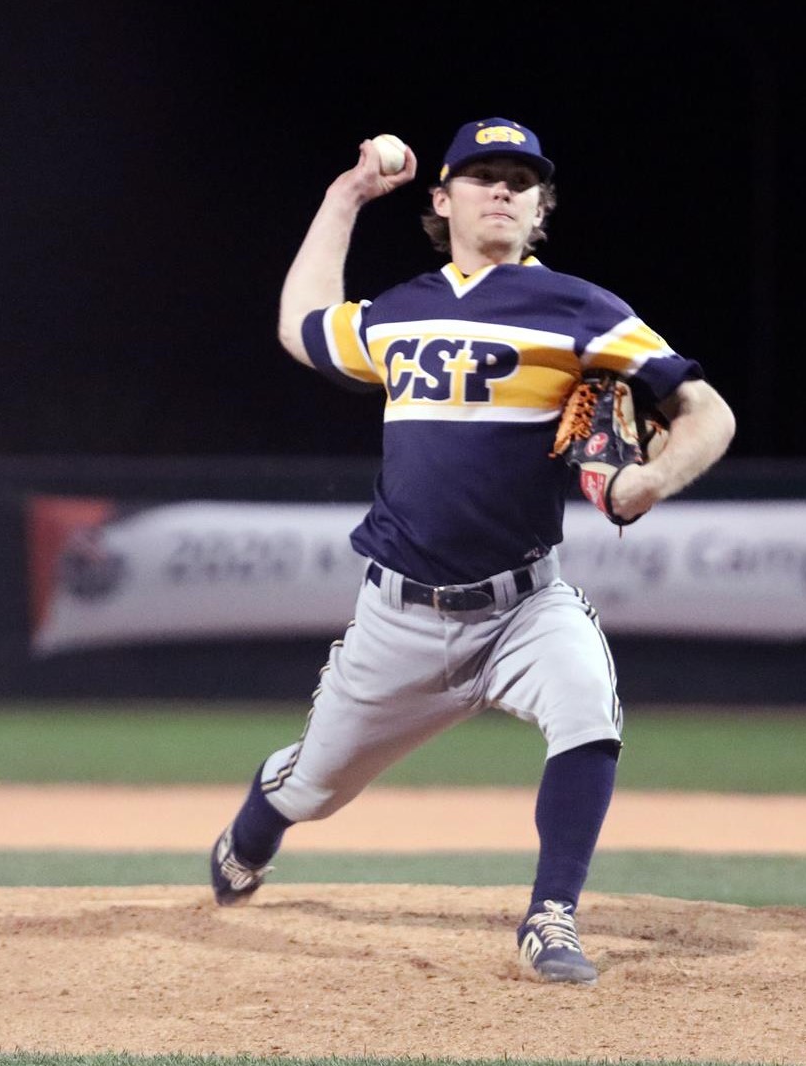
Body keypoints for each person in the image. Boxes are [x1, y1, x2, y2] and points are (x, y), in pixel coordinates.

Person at [208, 117, 736, 984]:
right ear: (443, 199)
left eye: (521, 181)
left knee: (588, 708)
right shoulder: (400, 312)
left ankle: (551, 915)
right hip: (398, 618)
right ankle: (255, 830)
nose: (503, 189)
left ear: (540, 210)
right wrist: (345, 195)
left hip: (524, 601)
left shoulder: (582, 310)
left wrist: (647, 483)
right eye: (484, 175)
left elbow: (707, 411)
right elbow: (300, 324)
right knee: (313, 788)